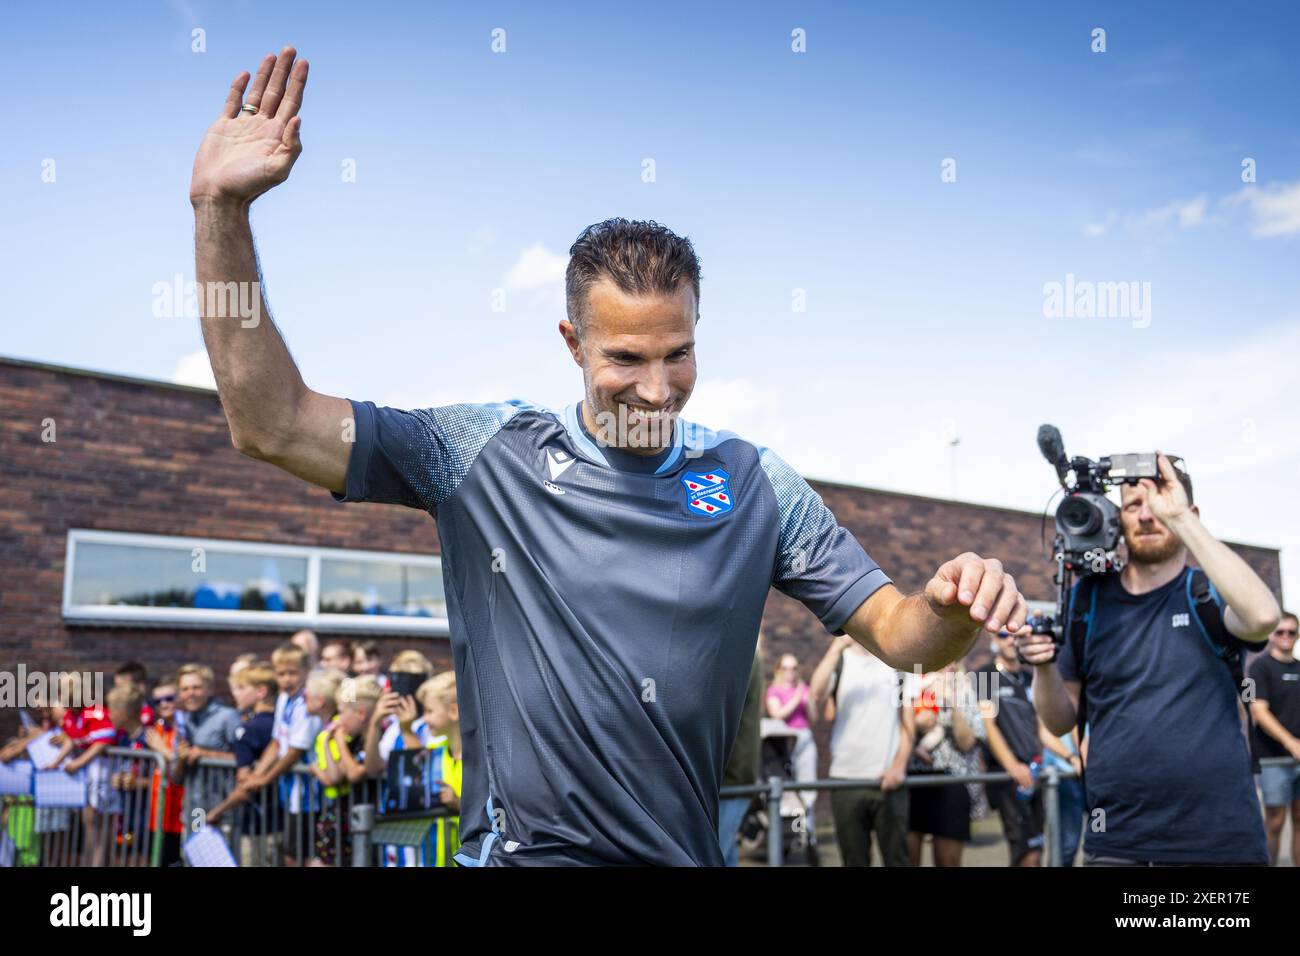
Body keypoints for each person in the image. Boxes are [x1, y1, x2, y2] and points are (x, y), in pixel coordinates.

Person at [189, 48, 1028, 864]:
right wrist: (220, 213)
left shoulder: (755, 483)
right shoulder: (482, 453)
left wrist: (949, 605)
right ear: (572, 342)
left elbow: (899, 635)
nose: (659, 391)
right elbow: (272, 421)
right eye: (626, 359)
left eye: (679, 355)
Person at [1023, 453, 1280, 865]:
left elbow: (1263, 617)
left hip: (1221, 842)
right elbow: (1059, 720)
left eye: (1158, 500)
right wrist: (1043, 667)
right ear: (1117, 519)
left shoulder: (1208, 592)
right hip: (1118, 843)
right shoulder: (1084, 602)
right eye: (1132, 505)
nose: (1146, 515)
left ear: (1189, 512)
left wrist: (1177, 515)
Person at [811, 634, 914, 867]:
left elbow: (908, 725)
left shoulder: (897, 665)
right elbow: (815, 694)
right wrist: (835, 648)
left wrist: (898, 768)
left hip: (887, 780)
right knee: (854, 860)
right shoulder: (840, 660)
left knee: (897, 859)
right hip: (846, 779)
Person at [906, 664, 985, 867]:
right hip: (910, 778)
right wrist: (915, 724)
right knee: (906, 859)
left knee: (947, 861)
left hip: (952, 781)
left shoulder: (965, 687)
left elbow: (967, 742)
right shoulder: (910, 680)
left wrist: (951, 700)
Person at [978, 628, 1044, 867]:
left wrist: (1071, 756)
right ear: (995, 640)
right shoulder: (985, 676)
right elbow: (989, 726)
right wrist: (1012, 766)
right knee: (1026, 853)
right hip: (1008, 776)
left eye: (1016, 635)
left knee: (1037, 847)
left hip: (1036, 772)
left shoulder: (1030, 677)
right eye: (1004, 635)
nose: (1011, 640)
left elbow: (1042, 729)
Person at [207, 662, 279, 865]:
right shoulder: (282, 724)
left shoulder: (248, 731)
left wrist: (216, 812)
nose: (235, 694)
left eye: (241, 688)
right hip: (287, 821)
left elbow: (245, 785)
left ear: (261, 691)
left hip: (259, 824)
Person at [310, 675, 380, 866]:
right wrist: (326, 742)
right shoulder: (355, 740)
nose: (339, 719)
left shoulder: (371, 740)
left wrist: (339, 741)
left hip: (369, 817)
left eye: (341, 712)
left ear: (361, 714)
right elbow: (336, 774)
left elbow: (354, 773)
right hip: (351, 816)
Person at [1247, 612, 1300, 865]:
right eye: (1280, 632)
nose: (1286, 637)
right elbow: (1258, 711)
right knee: (1275, 822)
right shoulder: (1259, 667)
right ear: (1271, 635)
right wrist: (1291, 742)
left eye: (1291, 632)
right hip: (1273, 758)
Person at [766, 653, 820, 863]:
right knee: (787, 796)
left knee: (807, 794)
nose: (790, 672)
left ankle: (809, 838)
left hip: (804, 741)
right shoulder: (774, 690)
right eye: (786, 668)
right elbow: (776, 714)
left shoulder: (803, 689)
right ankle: (787, 841)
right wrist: (797, 698)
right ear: (779, 670)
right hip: (782, 745)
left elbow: (813, 719)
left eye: (794, 668)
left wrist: (810, 701)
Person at [718, 643, 765, 866]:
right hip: (731, 776)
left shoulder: (739, 655)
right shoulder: (742, 653)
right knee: (725, 855)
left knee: (715, 853)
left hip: (731, 778)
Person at [174, 663, 240, 817]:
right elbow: (176, 777)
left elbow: (244, 760)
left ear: (209, 689)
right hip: (195, 809)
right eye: (185, 689)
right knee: (193, 840)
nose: (191, 693)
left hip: (224, 810)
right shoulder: (183, 722)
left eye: (196, 687)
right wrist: (182, 759)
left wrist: (205, 754)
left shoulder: (228, 716)